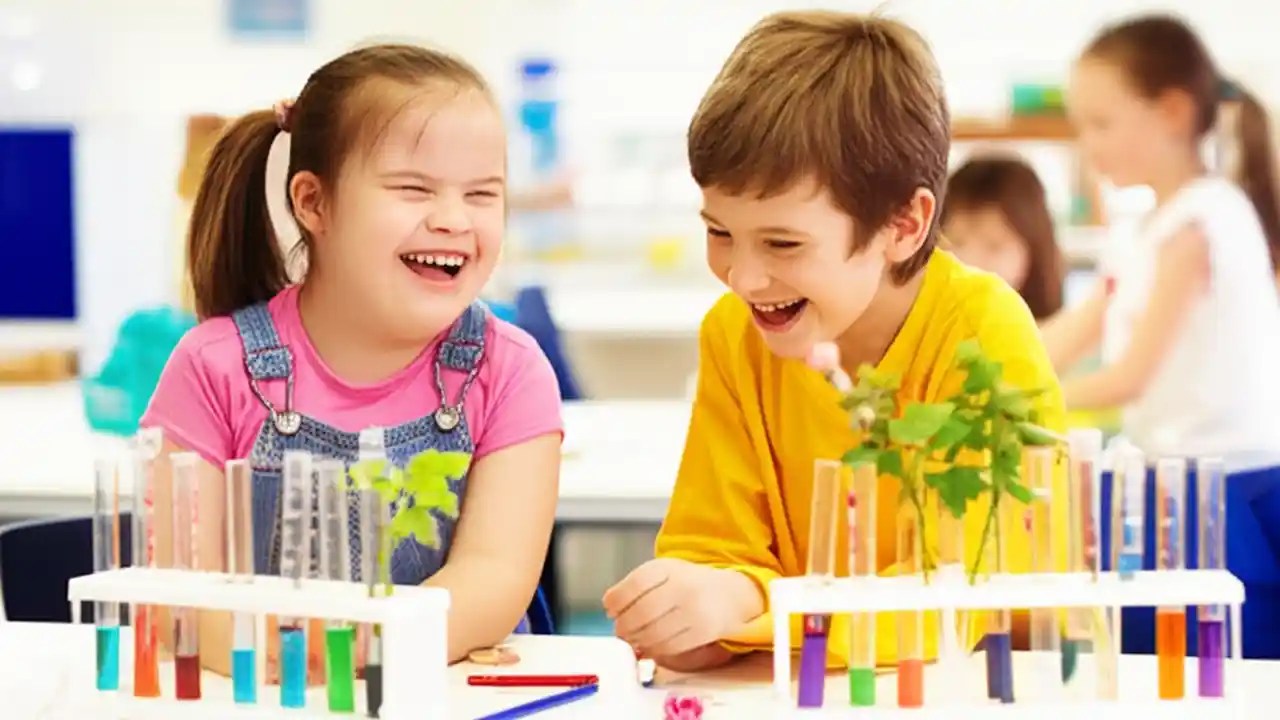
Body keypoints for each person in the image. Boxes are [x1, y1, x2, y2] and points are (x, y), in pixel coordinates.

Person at [602, 11, 1065, 672]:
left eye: (783, 243)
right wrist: (694, 604)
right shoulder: (734, 335)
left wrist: (751, 604)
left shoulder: (982, 333)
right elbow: (711, 562)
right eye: (719, 232)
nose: (742, 275)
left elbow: (951, 600)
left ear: (905, 224)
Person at [143, 44, 563, 674]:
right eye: (413, 190)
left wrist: (356, 655)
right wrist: (316, 664)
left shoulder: (510, 370)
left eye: (482, 194)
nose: (453, 219)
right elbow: (184, 596)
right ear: (313, 203)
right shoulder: (212, 368)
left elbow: (493, 579)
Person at [1042, 14, 1280, 457]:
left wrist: (1017, 402)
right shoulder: (1140, 233)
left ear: (1173, 112)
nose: (1088, 145)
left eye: (1101, 124)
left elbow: (1132, 377)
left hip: (1230, 476)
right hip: (1177, 467)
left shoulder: (1200, 221)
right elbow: (1074, 332)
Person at [942, 155, 1066, 321]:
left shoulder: (1058, 334)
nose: (969, 261)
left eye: (994, 246)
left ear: (1033, 251)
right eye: (956, 242)